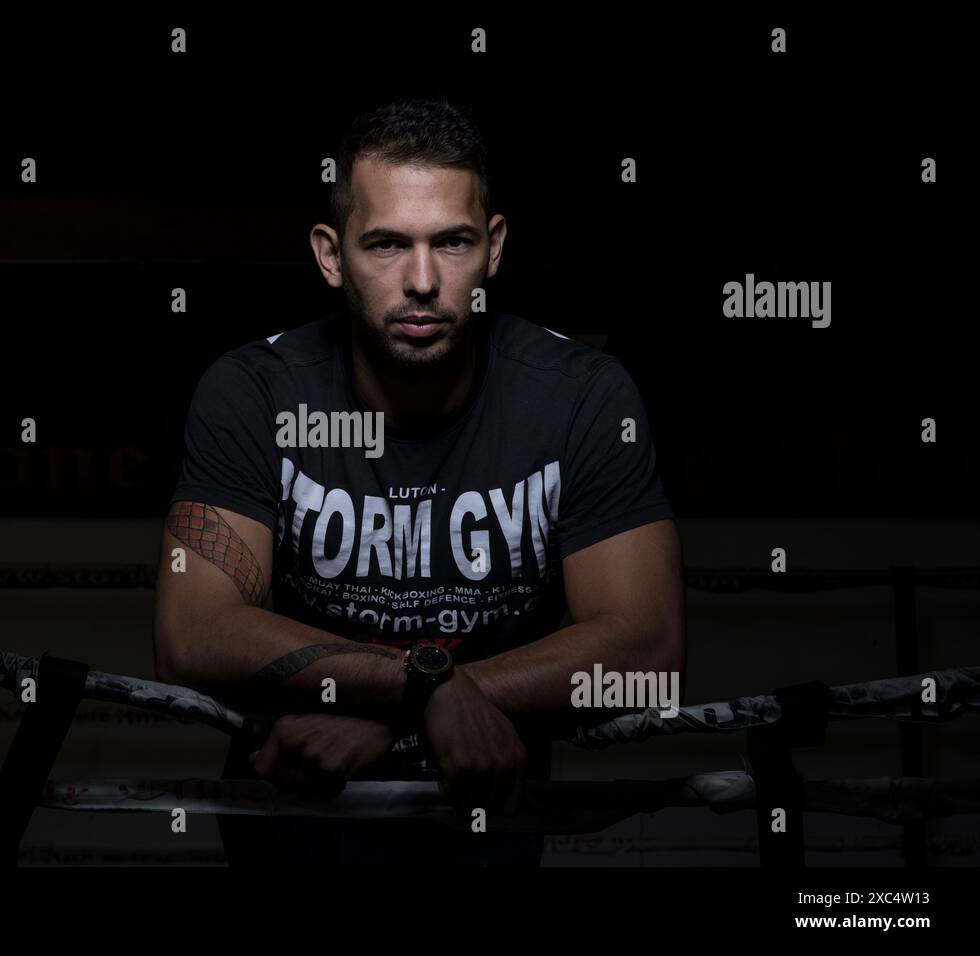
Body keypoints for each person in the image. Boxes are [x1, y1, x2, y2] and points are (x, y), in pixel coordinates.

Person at [153, 97, 685, 865]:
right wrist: (426, 690)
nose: (425, 280)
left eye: (454, 242)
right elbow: (191, 634)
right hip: (299, 810)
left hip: (483, 818)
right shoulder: (255, 392)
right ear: (332, 256)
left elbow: (650, 650)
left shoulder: (581, 396)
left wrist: (401, 708)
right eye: (387, 245)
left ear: (494, 247)